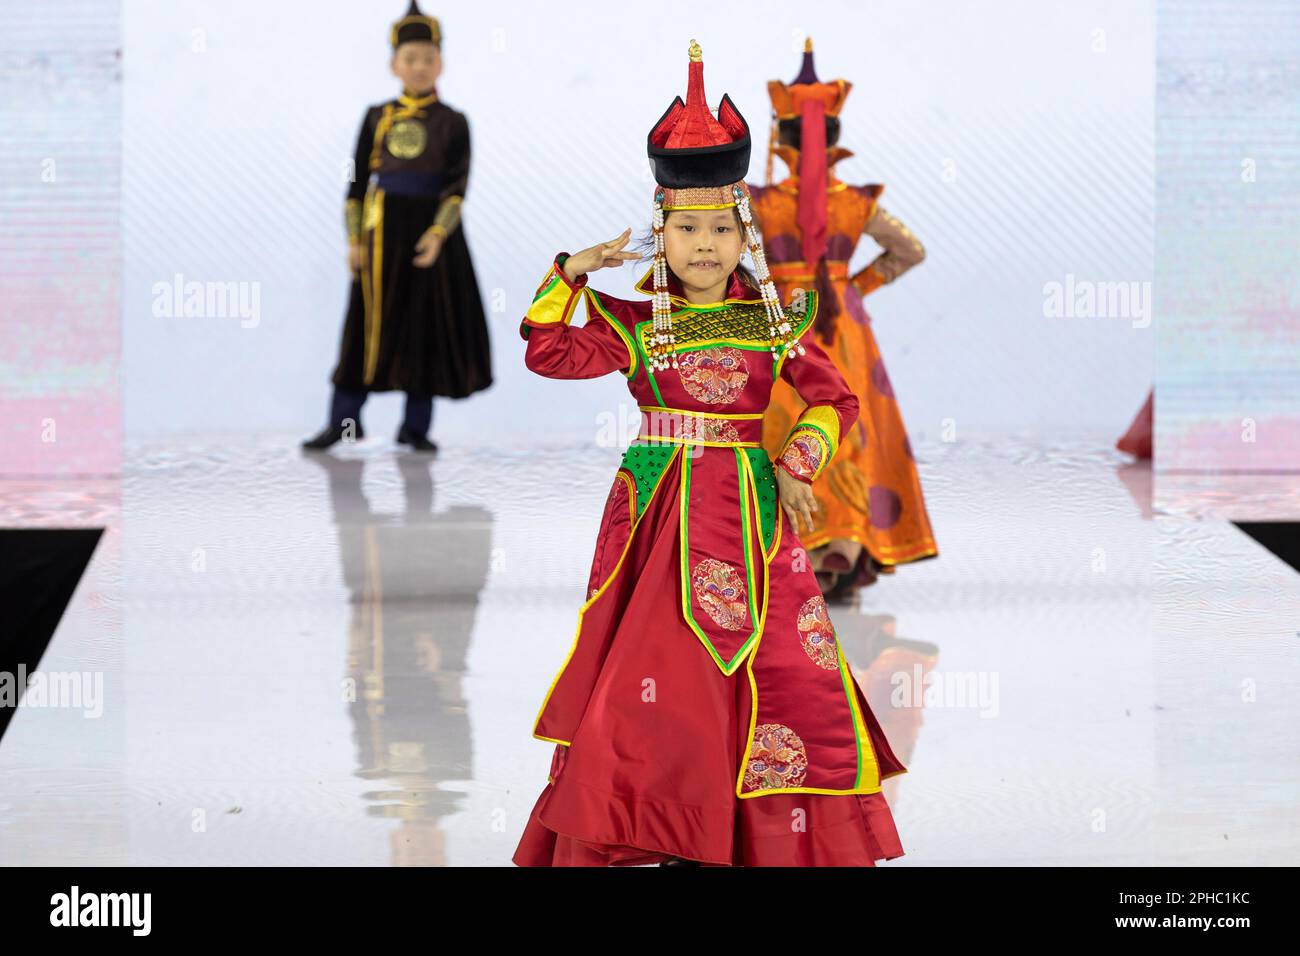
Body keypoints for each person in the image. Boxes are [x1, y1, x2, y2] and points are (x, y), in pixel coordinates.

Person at [511, 41, 907, 867]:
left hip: (753, 521)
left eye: (720, 229)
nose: (703, 245)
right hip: (655, 522)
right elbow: (547, 352)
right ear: (663, 233)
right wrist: (571, 272)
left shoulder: (776, 322)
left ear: (742, 237)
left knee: (777, 678)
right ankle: (643, 820)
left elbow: (834, 398)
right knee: (644, 677)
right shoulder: (634, 321)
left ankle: (752, 835)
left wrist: (796, 467)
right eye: (686, 228)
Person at [747, 38, 937, 600]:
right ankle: (843, 552)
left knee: (779, 424)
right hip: (843, 328)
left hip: (781, 321)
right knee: (847, 426)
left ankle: (779, 554)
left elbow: (728, 255)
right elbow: (910, 250)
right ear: (834, 138)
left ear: (780, 138)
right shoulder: (857, 203)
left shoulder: (756, 202)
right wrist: (853, 288)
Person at [303, 2, 491, 454]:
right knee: (365, 325)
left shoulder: (454, 122)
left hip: (430, 238)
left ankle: (416, 427)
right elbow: (355, 182)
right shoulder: (375, 116)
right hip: (380, 233)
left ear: (440, 63)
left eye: (428, 58)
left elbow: (456, 187)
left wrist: (437, 235)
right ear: (394, 65)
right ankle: (343, 422)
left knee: (423, 325)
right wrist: (353, 240)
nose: (419, 67)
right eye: (411, 59)